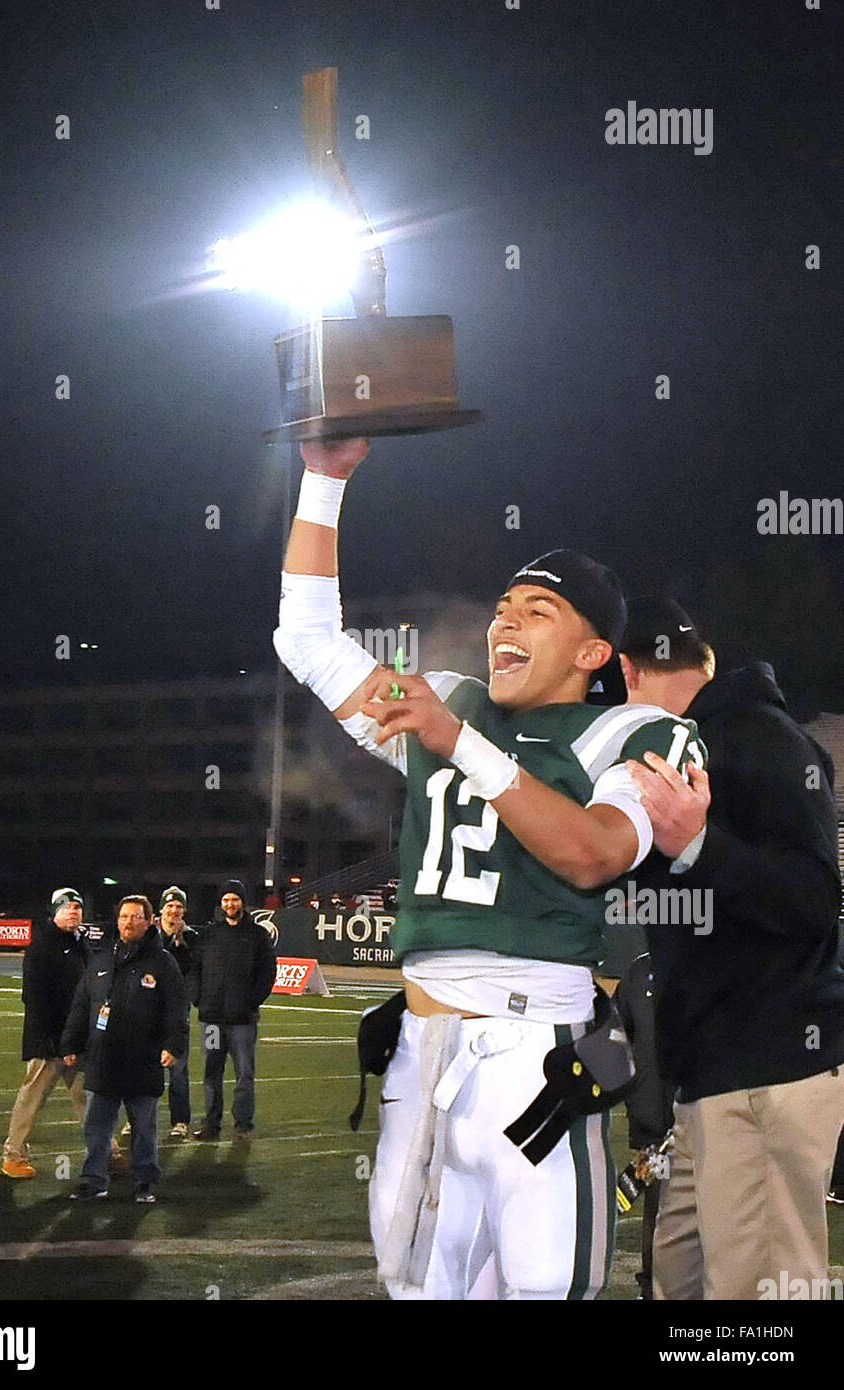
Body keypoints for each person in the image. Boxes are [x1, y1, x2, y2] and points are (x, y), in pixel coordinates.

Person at [272, 437, 703, 1300]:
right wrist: (325, 480)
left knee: (544, 1288)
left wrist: (454, 742)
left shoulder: (630, 734)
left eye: (538, 611)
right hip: (422, 1059)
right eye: (504, 606)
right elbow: (306, 639)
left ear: (592, 655)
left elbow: (593, 855)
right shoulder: (451, 701)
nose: (505, 621)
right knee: (415, 1285)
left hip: (535, 1065)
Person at [620, 596, 844, 1300]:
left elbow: (814, 899)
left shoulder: (758, 736)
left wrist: (698, 847)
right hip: (712, 1080)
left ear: (629, 672)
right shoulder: (705, 738)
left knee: (756, 1311)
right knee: (680, 1287)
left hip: (763, 1069)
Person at [61, 895, 186, 1203]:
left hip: (143, 1057)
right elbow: (82, 1004)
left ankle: (145, 1181)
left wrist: (173, 1045)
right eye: (124, 916)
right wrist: (71, 1042)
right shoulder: (101, 958)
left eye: (136, 917)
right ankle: (93, 1179)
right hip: (104, 1057)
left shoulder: (163, 962)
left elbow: (176, 1009)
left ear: (149, 920)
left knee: (144, 1127)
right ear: (117, 920)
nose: (129, 922)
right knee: (97, 1127)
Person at [2, 888, 124, 1179]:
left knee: (90, 1097)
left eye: (77, 907)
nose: (73, 912)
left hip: (77, 1038)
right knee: (33, 1097)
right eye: (67, 907)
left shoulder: (79, 943)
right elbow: (33, 996)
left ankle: (107, 1151)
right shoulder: (43, 945)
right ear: (55, 911)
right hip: (52, 1040)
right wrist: (49, 1038)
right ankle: (13, 1154)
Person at [192, 880, 276, 1141]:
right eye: (226, 899)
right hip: (212, 1021)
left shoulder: (257, 935)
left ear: (243, 902)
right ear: (221, 903)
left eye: (235, 899)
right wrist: (198, 999)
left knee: (244, 1074)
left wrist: (251, 1002)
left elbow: (268, 973)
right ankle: (211, 1124)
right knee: (211, 1073)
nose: (231, 904)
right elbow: (194, 970)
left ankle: (243, 1125)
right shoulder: (208, 935)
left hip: (243, 1021)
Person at [614, 952, 675, 1300]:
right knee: (657, 1204)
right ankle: (650, 1289)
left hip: (706, 1122)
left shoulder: (717, 961)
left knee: (712, 1206)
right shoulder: (640, 970)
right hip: (652, 1129)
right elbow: (618, 1036)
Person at [157, 886, 198, 1140]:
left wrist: (181, 943)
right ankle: (136, 1118)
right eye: (170, 906)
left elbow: (192, 970)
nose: (174, 911)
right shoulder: (149, 934)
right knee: (143, 1066)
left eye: (178, 906)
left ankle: (180, 1121)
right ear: (162, 908)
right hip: (148, 1007)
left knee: (178, 1068)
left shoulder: (191, 937)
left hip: (176, 1010)